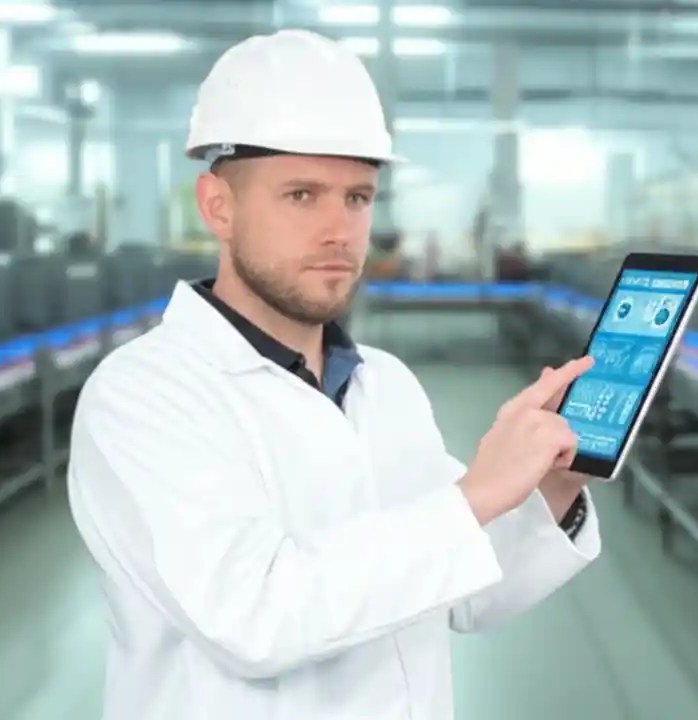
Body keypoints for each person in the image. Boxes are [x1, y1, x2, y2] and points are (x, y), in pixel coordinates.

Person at [66, 29, 602, 720]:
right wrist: (475, 494)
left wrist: (549, 488)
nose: (339, 230)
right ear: (217, 206)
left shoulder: (383, 383)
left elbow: (468, 591)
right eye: (300, 195)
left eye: (357, 197)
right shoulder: (143, 395)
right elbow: (254, 620)